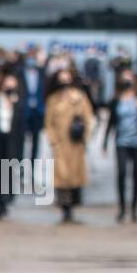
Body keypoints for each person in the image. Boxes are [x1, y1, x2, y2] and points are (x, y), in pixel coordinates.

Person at [44, 63, 95, 224]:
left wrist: (85, 138)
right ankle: (64, 207)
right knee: (61, 176)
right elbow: (49, 123)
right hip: (60, 144)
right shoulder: (53, 99)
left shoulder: (79, 97)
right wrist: (53, 141)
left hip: (76, 144)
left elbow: (88, 118)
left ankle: (73, 206)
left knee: (75, 176)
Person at [102, 76, 137, 224]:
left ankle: (134, 209)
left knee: (136, 175)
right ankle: (121, 208)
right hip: (122, 142)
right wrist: (105, 143)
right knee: (121, 173)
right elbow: (111, 122)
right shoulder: (116, 100)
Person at [0, 69, 26, 218]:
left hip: (11, 142)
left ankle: (5, 201)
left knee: (8, 172)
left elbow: (20, 128)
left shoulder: (18, 103)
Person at [20, 45, 46, 161]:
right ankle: (20, 168)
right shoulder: (20, 73)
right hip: (24, 111)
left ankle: (32, 167)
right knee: (21, 141)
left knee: (36, 142)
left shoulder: (41, 72)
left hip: (37, 111)